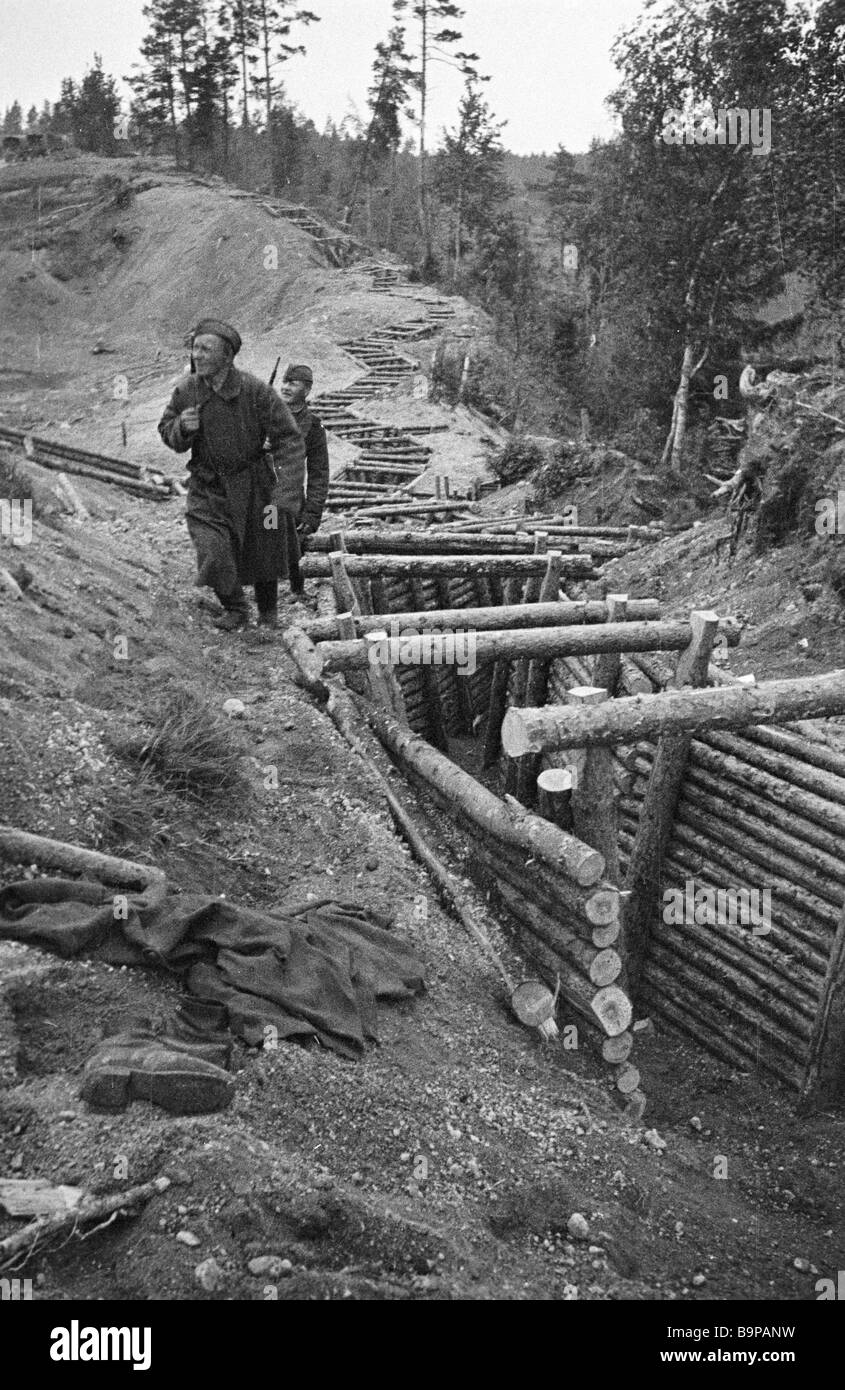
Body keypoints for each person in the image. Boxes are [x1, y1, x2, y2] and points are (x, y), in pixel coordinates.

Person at [158, 318, 305, 631]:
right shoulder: (187, 390)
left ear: (227, 356)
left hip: (255, 484)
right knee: (213, 548)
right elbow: (166, 430)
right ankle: (235, 607)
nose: (197, 355)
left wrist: (286, 494)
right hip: (207, 485)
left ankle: (268, 613)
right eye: (195, 348)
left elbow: (289, 439)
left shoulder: (256, 392)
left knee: (265, 545)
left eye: (205, 349)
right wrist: (182, 427)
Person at [278, 364, 329, 595]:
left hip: (291, 499)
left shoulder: (313, 426)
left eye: (293, 383)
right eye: (285, 382)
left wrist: (312, 513)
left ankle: (296, 593)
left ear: (307, 390)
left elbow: (319, 474)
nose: (285, 387)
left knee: (294, 545)